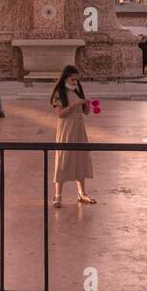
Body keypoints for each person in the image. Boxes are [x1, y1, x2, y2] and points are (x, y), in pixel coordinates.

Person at [50, 66, 95, 207]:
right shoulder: (60, 92)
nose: (75, 82)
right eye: (73, 79)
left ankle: (82, 192)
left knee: (80, 157)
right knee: (64, 158)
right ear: (66, 78)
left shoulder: (78, 90)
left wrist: (87, 105)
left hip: (79, 127)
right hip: (66, 128)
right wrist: (74, 104)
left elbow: (86, 113)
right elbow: (60, 114)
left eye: (77, 80)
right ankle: (58, 195)